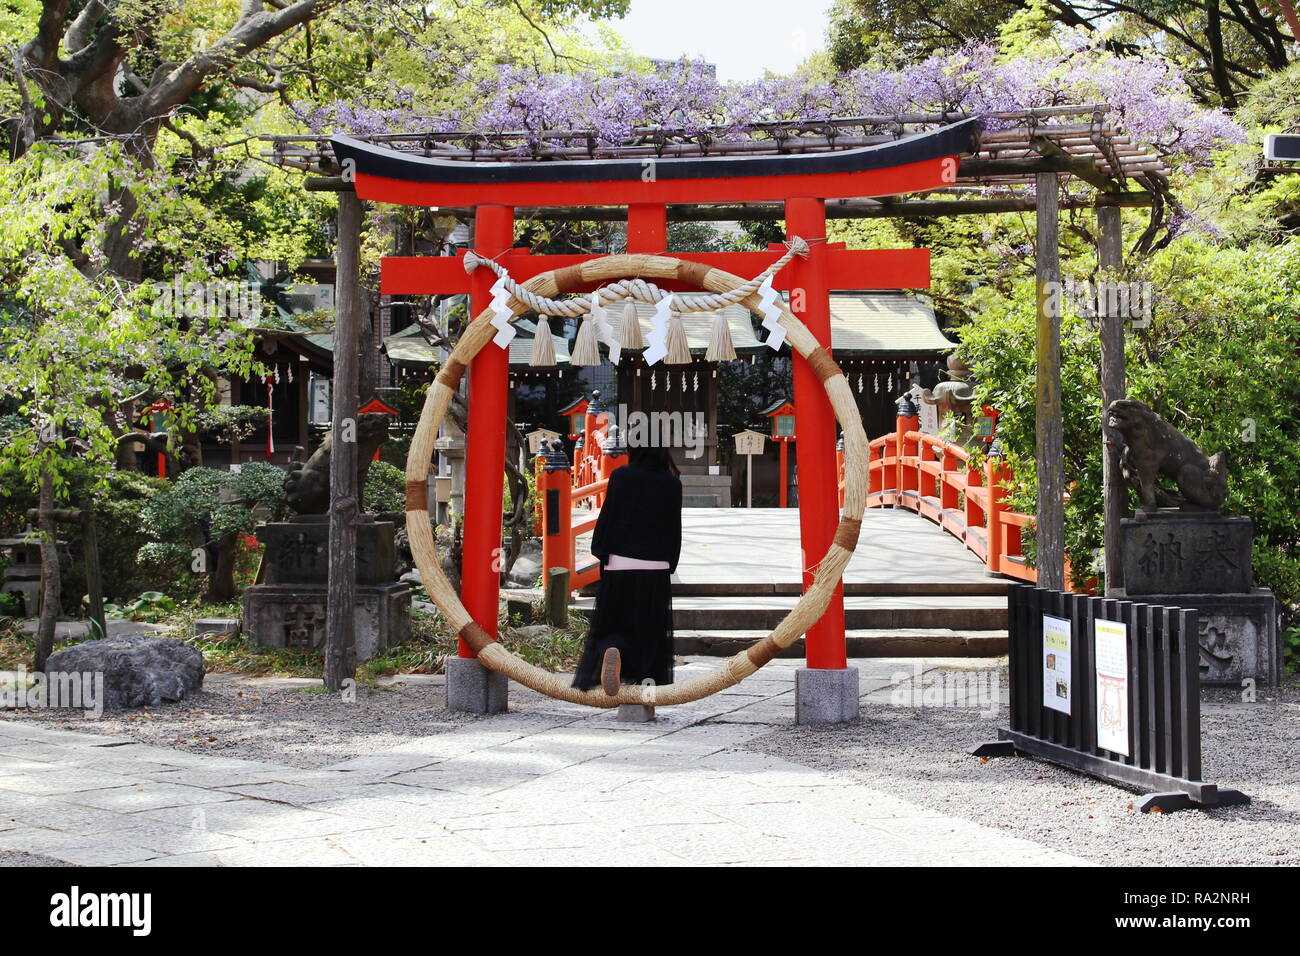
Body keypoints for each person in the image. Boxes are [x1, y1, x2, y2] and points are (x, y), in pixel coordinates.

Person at [572, 445, 682, 694]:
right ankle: (644, 684)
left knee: (614, 622)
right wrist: (669, 563)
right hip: (655, 565)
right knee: (650, 629)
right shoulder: (672, 483)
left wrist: (601, 552)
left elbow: (608, 517)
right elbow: (674, 528)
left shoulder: (621, 476)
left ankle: (615, 650)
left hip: (619, 564)